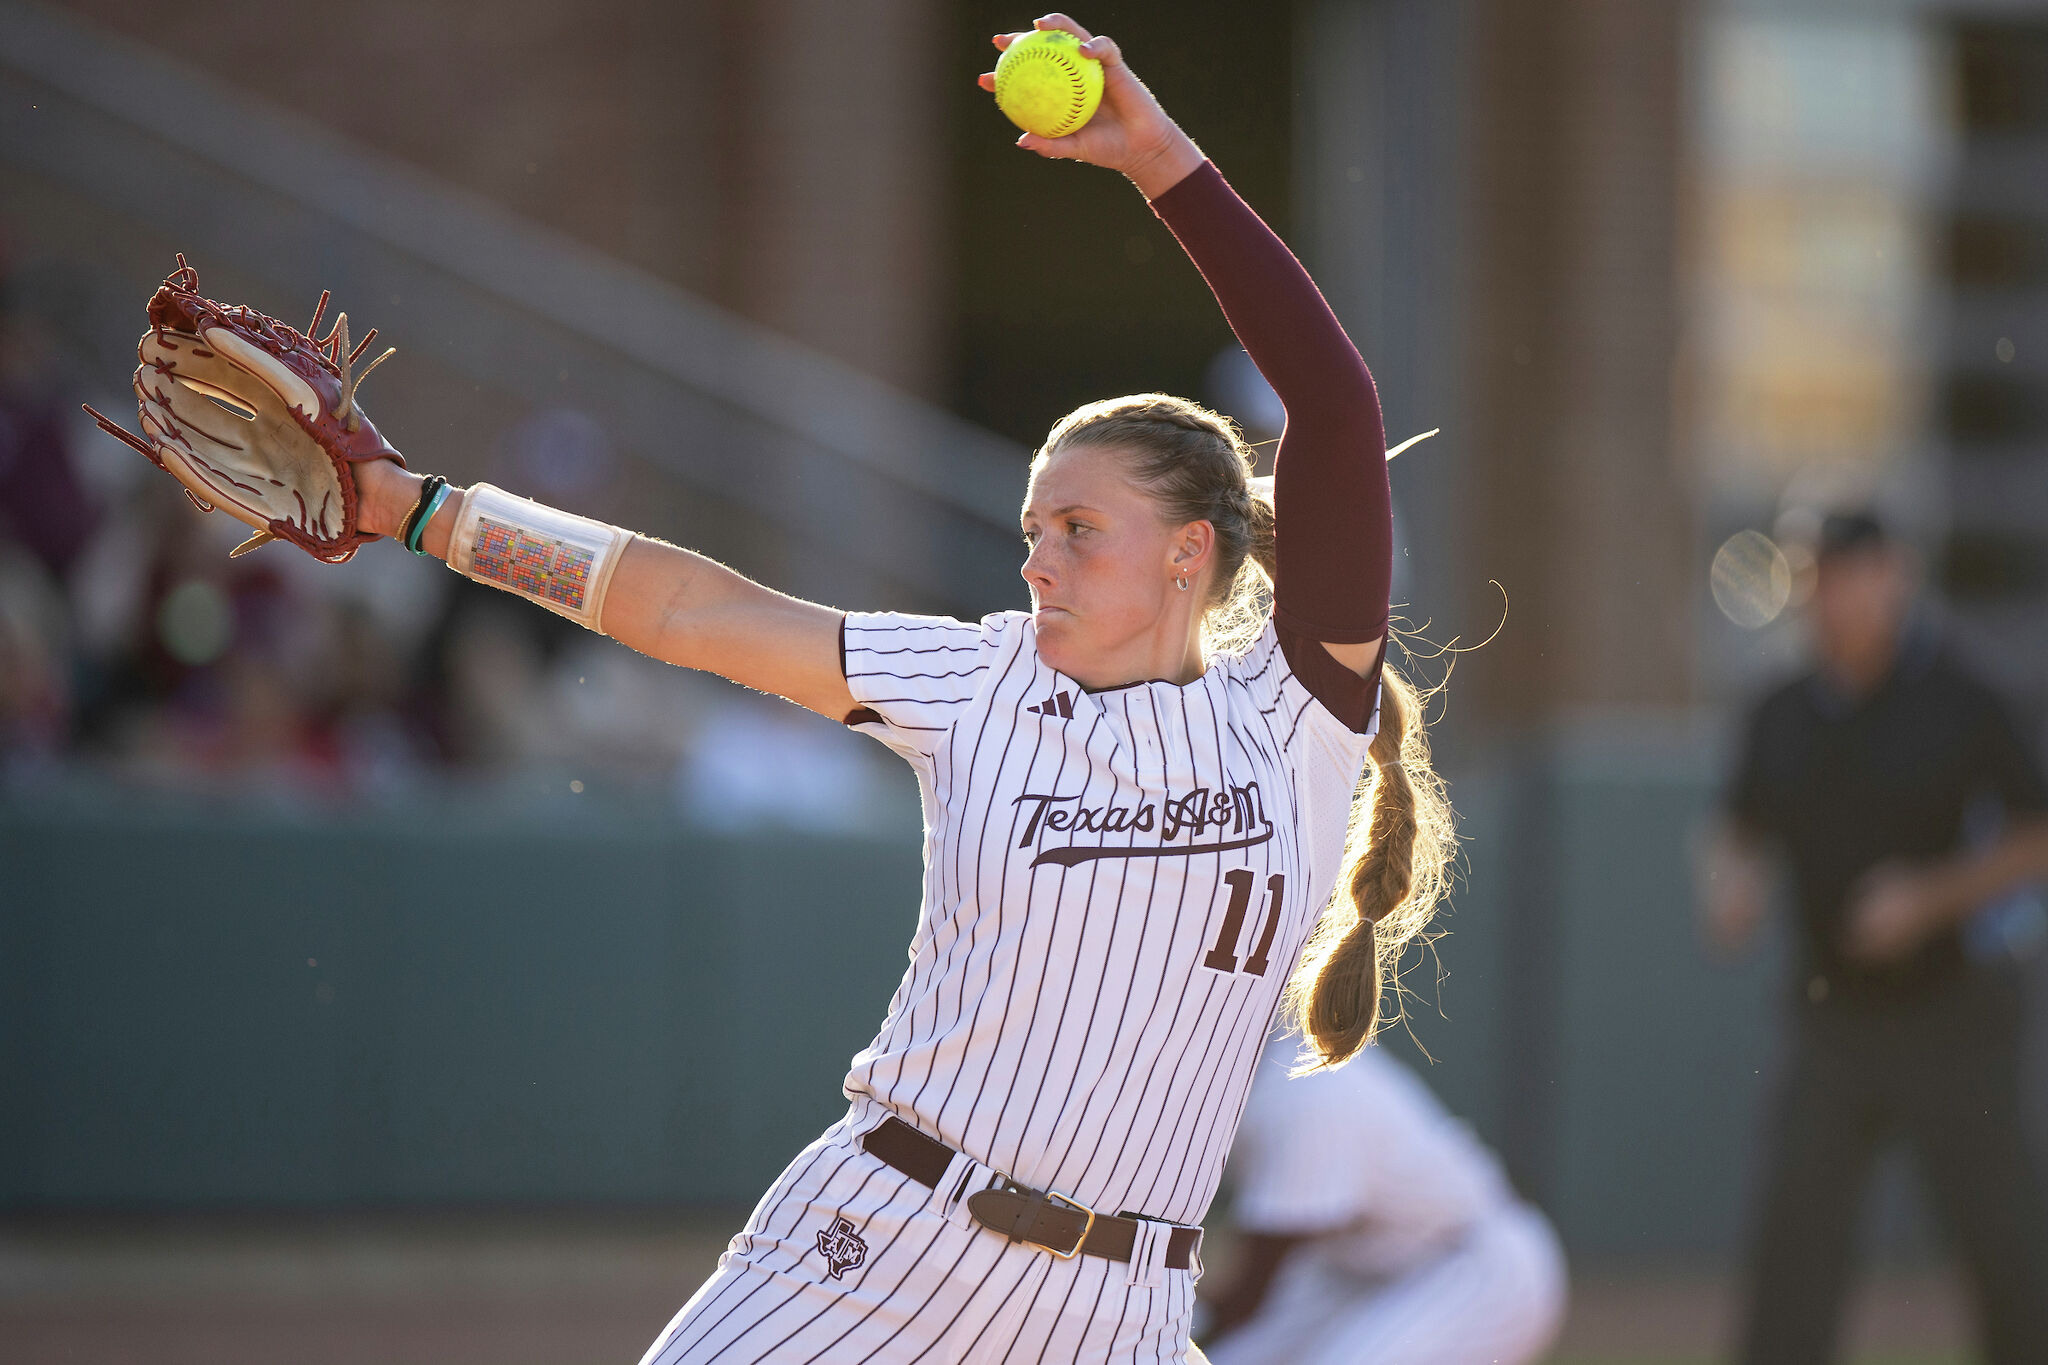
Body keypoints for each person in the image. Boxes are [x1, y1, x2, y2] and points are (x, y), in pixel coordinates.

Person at [111, 13, 1449, 1358]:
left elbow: (1333, 405)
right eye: (1031, 527)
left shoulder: (1293, 718)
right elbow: (694, 608)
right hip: (875, 1244)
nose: (1036, 558)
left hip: (1122, 1309)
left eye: (1078, 531)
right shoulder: (969, 677)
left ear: (1189, 553)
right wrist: (425, 513)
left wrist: (1158, 156)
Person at [1702, 510, 2048, 1365]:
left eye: (1857, 574)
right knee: (1794, 1257)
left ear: (1895, 578)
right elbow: (1736, 829)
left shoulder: (1964, 697)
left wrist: (1928, 898)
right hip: (1832, 1018)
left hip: (1955, 1013)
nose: (1839, 596)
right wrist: (1732, 884)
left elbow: (2036, 835)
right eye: (1823, 576)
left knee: (2005, 1247)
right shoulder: (1781, 710)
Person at [1197, 1038, 1565, 1365]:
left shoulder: (1304, 1090)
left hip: (1468, 1266)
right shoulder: (1261, 1065)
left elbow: (1249, 1292)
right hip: (1353, 1266)